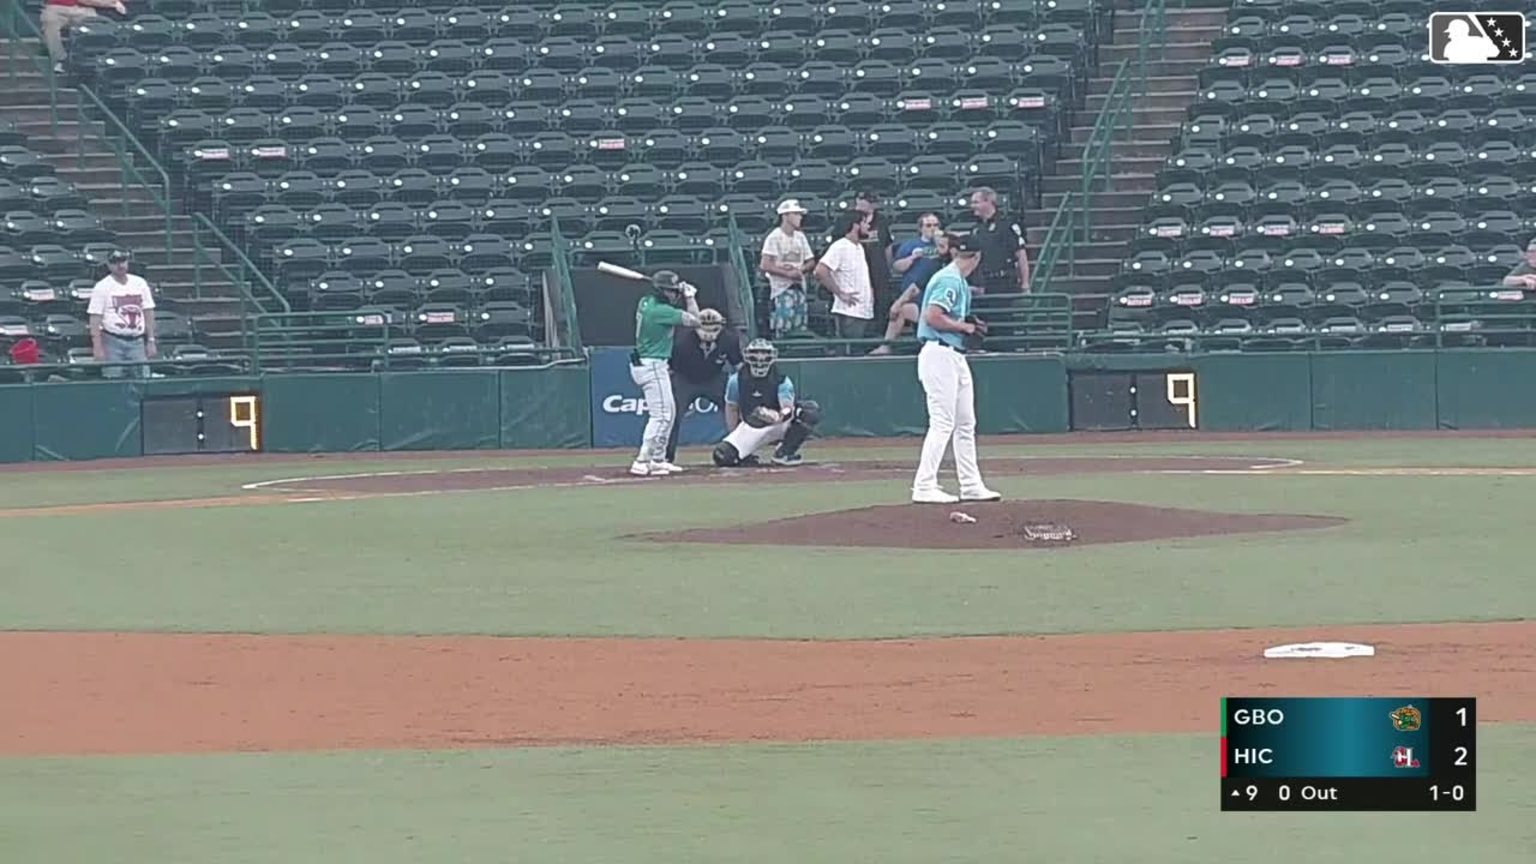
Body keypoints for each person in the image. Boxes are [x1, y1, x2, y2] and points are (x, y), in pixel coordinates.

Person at [910, 234, 1001, 504]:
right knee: (943, 422)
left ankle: (971, 485)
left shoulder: (954, 278)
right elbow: (933, 317)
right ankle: (924, 485)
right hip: (939, 353)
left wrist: (964, 323)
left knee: (965, 423)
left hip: (953, 354)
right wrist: (965, 327)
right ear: (977, 257)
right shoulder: (949, 279)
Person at [629, 270, 700, 477]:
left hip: (649, 363)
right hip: (652, 364)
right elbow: (696, 320)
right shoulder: (659, 311)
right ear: (661, 292)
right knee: (661, 416)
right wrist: (690, 297)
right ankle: (642, 460)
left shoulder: (646, 301)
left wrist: (676, 289)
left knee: (669, 413)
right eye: (670, 291)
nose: (674, 295)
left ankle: (658, 459)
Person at [712, 338, 821, 468]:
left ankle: (784, 453)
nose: (760, 359)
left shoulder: (781, 380)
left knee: (809, 412)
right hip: (751, 426)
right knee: (723, 455)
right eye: (756, 354)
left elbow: (787, 406)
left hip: (778, 423)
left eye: (764, 354)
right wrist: (735, 434)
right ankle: (746, 454)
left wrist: (778, 415)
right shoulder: (736, 380)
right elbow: (731, 408)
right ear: (748, 356)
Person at [663, 308, 743, 465]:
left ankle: (742, 450)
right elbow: (669, 366)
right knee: (673, 415)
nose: (708, 332)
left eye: (713, 328)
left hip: (715, 378)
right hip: (684, 378)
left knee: (735, 409)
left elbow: (738, 364)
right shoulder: (681, 341)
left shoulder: (729, 339)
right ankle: (665, 456)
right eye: (704, 327)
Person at [871, 218, 949, 355]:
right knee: (902, 310)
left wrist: (942, 243)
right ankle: (886, 346)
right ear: (921, 228)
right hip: (916, 295)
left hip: (939, 296)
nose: (932, 228)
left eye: (936, 225)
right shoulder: (910, 245)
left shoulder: (946, 245)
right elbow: (896, 266)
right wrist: (912, 258)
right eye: (928, 225)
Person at [87, 248, 157, 380]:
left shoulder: (139, 283)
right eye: (115, 262)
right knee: (114, 380)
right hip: (112, 340)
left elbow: (148, 311)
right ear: (108, 265)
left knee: (142, 379)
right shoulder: (102, 287)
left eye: (122, 261)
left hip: (137, 340)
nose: (120, 265)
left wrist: (151, 340)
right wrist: (97, 346)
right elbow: (95, 318)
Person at [813, 208, 877, 343]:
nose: (868, 226)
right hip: (849, 312)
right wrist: (840, 293)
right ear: (855, 225)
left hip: (863, 311)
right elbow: (820, 271)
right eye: (865, 223)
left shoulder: (859, 247)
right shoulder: (840, 247)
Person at [760, 199, 816, 339]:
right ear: (785, 216)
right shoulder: (774, 237)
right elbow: (765, 264)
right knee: (784, 324)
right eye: (796, 214)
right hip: (781, 289)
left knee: (800, 324)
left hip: (799, 286)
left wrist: (800, 270)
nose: (800, 217)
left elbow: (811, 261)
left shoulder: (800, 237)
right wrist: (787, 273)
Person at [969, 186, 1031, 294]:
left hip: (1005, 283)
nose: (972, 206)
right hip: (984, 285)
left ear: (988, 201)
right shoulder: (976, 229)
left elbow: (1021, 254)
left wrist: (1025, 284)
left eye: (976, 202)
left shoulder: (1007, 225)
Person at [41, 0, 126, 75]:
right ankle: (60, 60)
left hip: (81, 9)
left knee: (97, 22)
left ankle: (94, 58)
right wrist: (113, 3)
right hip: (56, 8)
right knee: (50, 22)